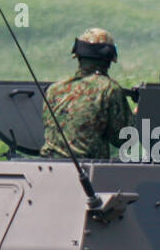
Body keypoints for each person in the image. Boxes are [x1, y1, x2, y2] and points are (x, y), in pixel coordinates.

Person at [39, 28, 134, 159]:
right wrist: (136, 116)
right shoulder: (109, 89)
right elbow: (123, 139)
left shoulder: (54, 89)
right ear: (109, 59)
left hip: (49, 166)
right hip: (88, 169)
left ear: (78, 56)